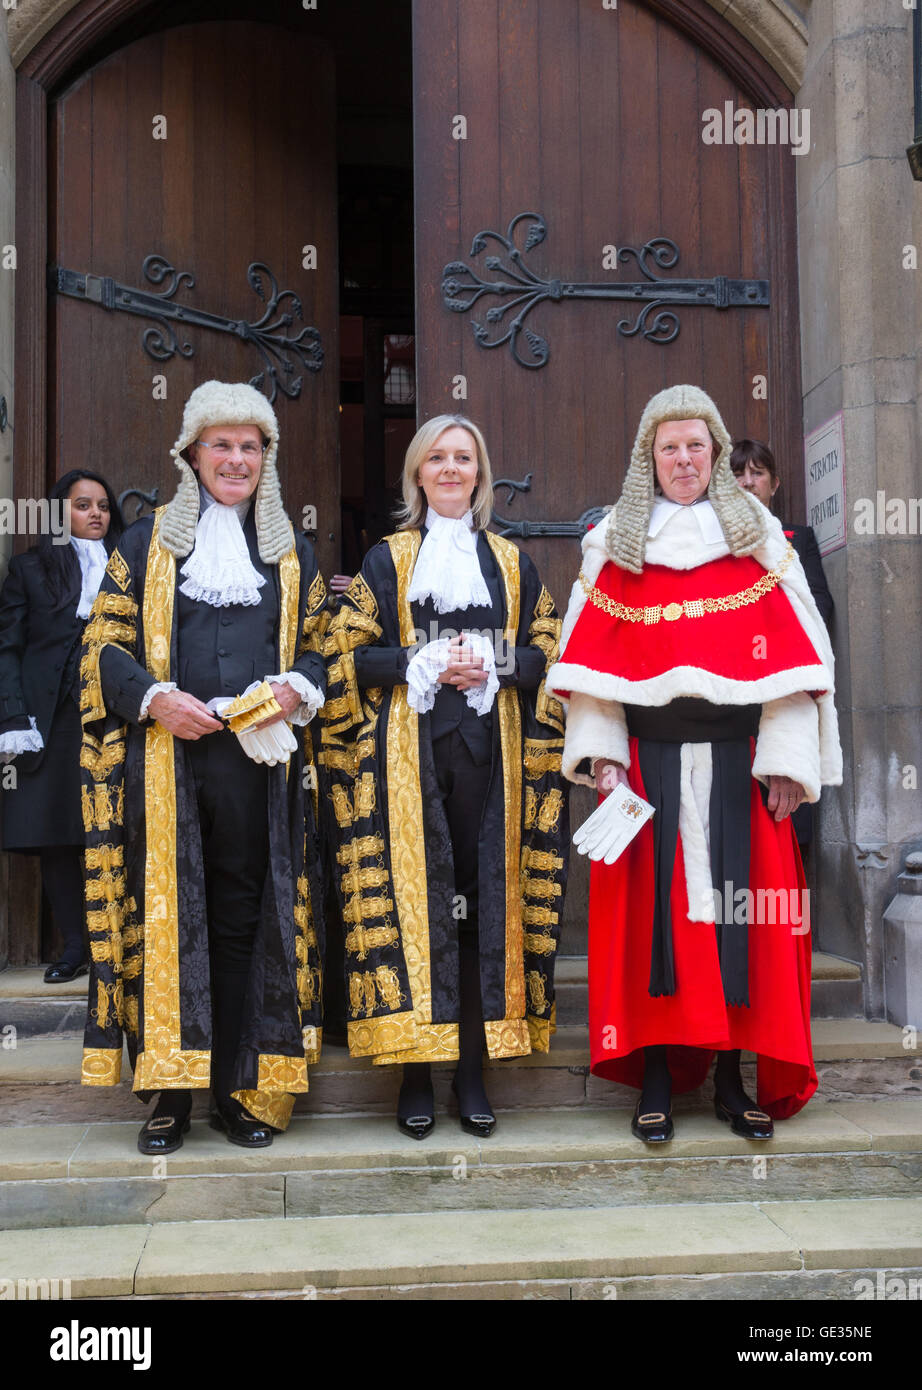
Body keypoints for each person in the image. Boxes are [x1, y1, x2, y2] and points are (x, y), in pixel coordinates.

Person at [547, 386, 842, 1143]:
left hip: (742, 767)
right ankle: (653, 1079)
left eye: (697, 446)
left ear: (716, 454)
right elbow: (592, 675)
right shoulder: (617, 541)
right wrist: (604, 763)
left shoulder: (762, 543)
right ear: (651, 457)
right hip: (646, 764)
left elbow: (797, 669)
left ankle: (731, 1081)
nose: (684, 459)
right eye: (669, 447)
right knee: (657, 927)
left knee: (744, 925)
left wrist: (785, 762)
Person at [79, 381, 329, 1154]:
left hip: (262, 768)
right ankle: (169, 1097)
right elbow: (102, 648)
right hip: (168, 767)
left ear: (267, 459)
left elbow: (328, 645)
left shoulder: (291, 555)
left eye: (250, 447)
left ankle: (237, 1087)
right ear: (191, 454)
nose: (236, 459)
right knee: (170, 919)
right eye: (220, 445)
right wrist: (155, 698)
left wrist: (298, 685)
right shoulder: (143, 544)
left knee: (243, 921)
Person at [320, 414, 569, 1139]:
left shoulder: (513, 562)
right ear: (418, 474)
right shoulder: (384, 561)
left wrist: (496, 664)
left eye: (464, 458)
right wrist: (417, 663)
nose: (452, 469)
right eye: (439, 458)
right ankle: (417, 1076)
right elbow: (345, 657)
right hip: (411, 763)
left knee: (478, 904)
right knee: (421, 911)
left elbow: (549, 650)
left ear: (480, 473)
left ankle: (471, 1072)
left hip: (493, 760)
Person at [0, 471, 123, 981]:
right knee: (59, 832)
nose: (95, 513)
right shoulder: (28, 568)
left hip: (114, 713)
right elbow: (8, 645)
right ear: (60, 513)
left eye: (102, 505)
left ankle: (117, 947)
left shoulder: (130, 566)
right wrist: (12, 716)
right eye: (82, 504)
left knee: (113, 828)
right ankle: (76, 948)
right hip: (51, 716)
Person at [731, 437, 834, 855]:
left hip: (783, 688)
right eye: (738, 474)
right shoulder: (708, 544)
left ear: (775, 484)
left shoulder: (797, 539)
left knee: (786, 834)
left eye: (757, 473)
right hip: (729, 700)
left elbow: (818, 610)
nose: (747, 482)